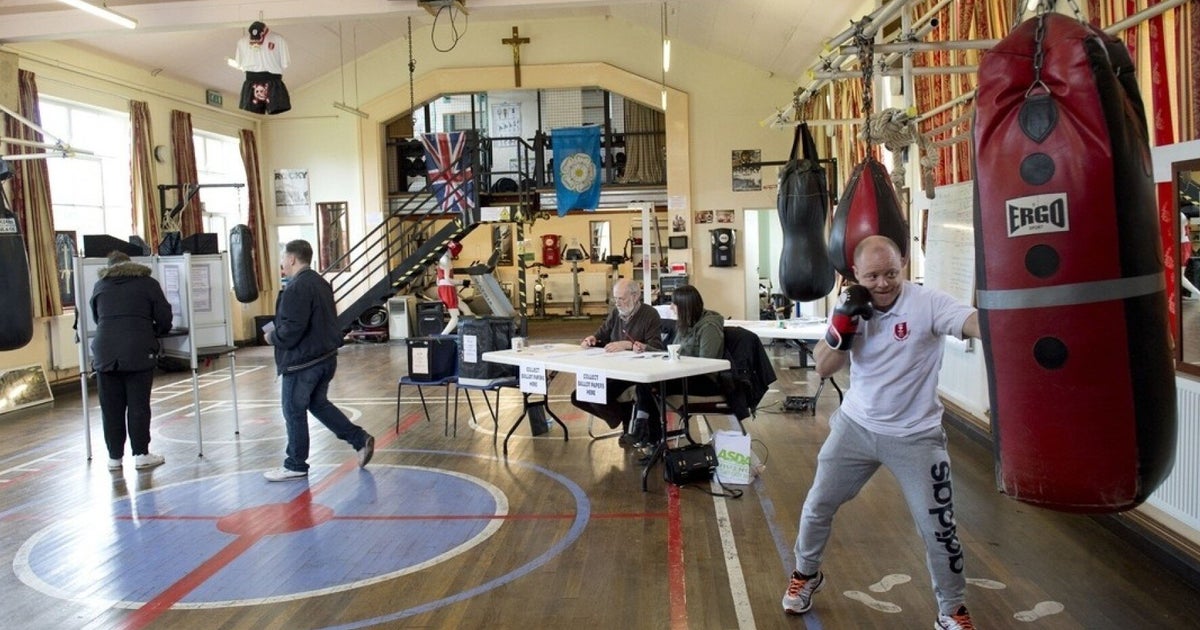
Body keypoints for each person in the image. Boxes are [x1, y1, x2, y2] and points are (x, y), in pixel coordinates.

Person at [781, 235, 981, 630]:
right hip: (856, 427)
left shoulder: (928, 303)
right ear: (856, 273)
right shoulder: (850, 305)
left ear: (904, 262)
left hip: (917, 436)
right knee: (818, 503)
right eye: (873, 276)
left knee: (938, 528)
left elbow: (972, 322)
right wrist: (843, 321)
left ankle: (952, 610)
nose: (884, 283)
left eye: (892, 272)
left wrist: (1011, 318)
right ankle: (806, 574)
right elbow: (823, 367)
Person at [264, 240, 374, 481]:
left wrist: (273, 336)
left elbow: (292, 328)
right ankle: (359, 439)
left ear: (292, 259)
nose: (282, 263)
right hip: (325, 358)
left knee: (293, 411)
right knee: (318, 404)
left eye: (283, 258)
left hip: (303, 362)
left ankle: (295, 464)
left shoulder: (296, 288)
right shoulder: (321, 283)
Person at [90, 251, 173, 471]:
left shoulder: (100, 286)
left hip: (105, 352)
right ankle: (141, 454)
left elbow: (97, 318)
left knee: (110, 408)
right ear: (132, 264)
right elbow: (164, 316)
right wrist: (156, 330)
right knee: (138, 405)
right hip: (137, 349)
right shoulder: (147, 283)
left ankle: (114, 458)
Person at [571, 278, 664, 443]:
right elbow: (603, 332)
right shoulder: (616, 313)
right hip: (615, 370)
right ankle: (622, 417)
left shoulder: (649, 314)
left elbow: (655, 347)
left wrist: (628, 344)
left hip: (637, 373)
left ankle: (631, 423)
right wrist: (592, 339)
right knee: (579, 395)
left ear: (636, 296)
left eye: (622, 298)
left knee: (595, 393)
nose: (618, 303)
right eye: (615, 298)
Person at [633, 284, 725, 450]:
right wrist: (647, 348)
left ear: (684, 307)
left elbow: (707, 363)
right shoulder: (684, 325)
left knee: (653, 386)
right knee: (645, 382)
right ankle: (643, 430)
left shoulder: (709, 327)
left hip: (705, 380)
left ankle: (649, 436)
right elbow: (673, 353)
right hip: (685, 375)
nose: (671, 308)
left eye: (674, 304)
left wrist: (679, 365)